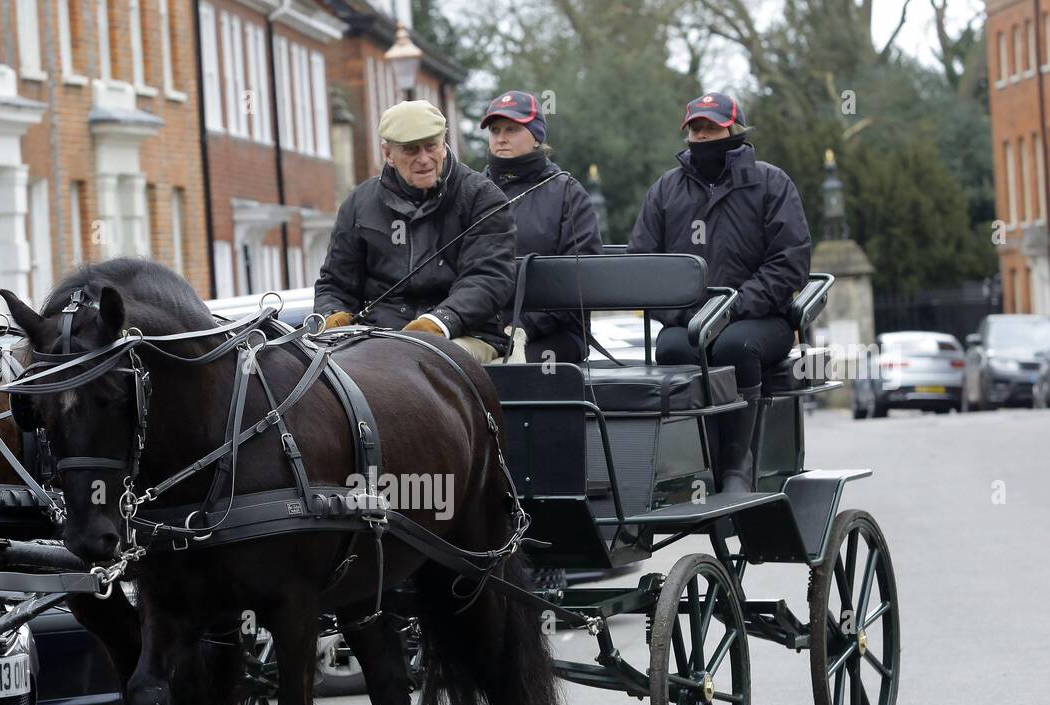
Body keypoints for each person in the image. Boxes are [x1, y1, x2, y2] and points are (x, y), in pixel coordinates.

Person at [628, 92, 811, 492]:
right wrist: (685, 314)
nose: (703, 135)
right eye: (696, 128)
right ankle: (699, 464)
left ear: (735, 130)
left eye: (712, 127)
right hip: (689, 319)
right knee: (672, 348)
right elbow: (644, 263)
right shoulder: (665, 190)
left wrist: (735, 306)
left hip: (761, 320)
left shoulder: (771, 183)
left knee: (735, 347)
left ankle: (736, 465)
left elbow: (790, 262)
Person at [314, 99, 516, 365]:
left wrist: (437, 323)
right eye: (411, 150)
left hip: (467, 334)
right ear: (388, 154)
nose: (424, 159)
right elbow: (336, 283)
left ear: (444, 145)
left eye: (431, 146)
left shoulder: (481, 197)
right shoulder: (358, 203)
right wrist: (332, 315)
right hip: (377, 337)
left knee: (424, 362)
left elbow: (488, 277)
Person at [481, 90, 602, 364]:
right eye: (495, 129)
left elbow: (579, 281)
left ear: (536, 136)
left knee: (505, 371)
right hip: (485, 328)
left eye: (512, 129)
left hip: (555, 333)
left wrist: (525, 326)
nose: (500, 137)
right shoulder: (473, 192)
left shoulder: (567, 193)